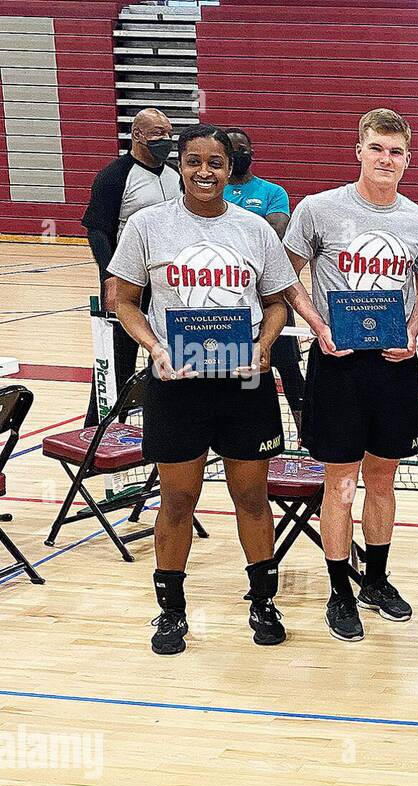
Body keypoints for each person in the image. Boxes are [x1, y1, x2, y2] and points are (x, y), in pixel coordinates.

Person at [107, 123, 297, 655]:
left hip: (244, 383)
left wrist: (264, 344)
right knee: (178, 498)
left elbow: (279, 299)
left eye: (215, 163)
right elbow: (122, 301)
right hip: (178, 384)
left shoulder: (255, 229)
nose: (204, 172)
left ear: (229, 168)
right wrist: (155, 347)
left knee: (252, 497)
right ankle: (171, 612)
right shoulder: (147, 225)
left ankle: (262, 601)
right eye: (194, 162)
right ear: (180, 166)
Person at [282, 108, 418, 642]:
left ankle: (375, 580)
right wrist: (317, 323)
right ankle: (339, 592)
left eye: (396, 152)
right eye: (377, 149)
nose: (386, 160)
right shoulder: (318, 209)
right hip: (337, 363)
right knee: (341, 484)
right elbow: (285, 277)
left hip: (393, 367)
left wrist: (415, 330)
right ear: (358, 150)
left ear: (408, 159)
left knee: (383, 481)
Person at [81, 108, 180, 426]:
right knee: (117, 361)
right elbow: (97, 230)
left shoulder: (175, 174)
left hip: (166, 282)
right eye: (157, 133)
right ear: (137, 135)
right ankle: (98, 431)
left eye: (168, 132)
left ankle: (165, 424)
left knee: (166, 354)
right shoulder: (115, 175)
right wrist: (109, 276)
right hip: (128, 282)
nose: (165, 139)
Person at [222, 127, 307, 431]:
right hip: (229, 300)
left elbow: (276, 231)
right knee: (246, 372)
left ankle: (306, 438)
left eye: (243, 148)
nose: (238, 153)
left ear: (252, 152)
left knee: (290, 371)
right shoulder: (213, 191)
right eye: (231, 149)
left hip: (270, 297)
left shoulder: (273, 192)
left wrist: (229, 228)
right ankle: (250, 433)